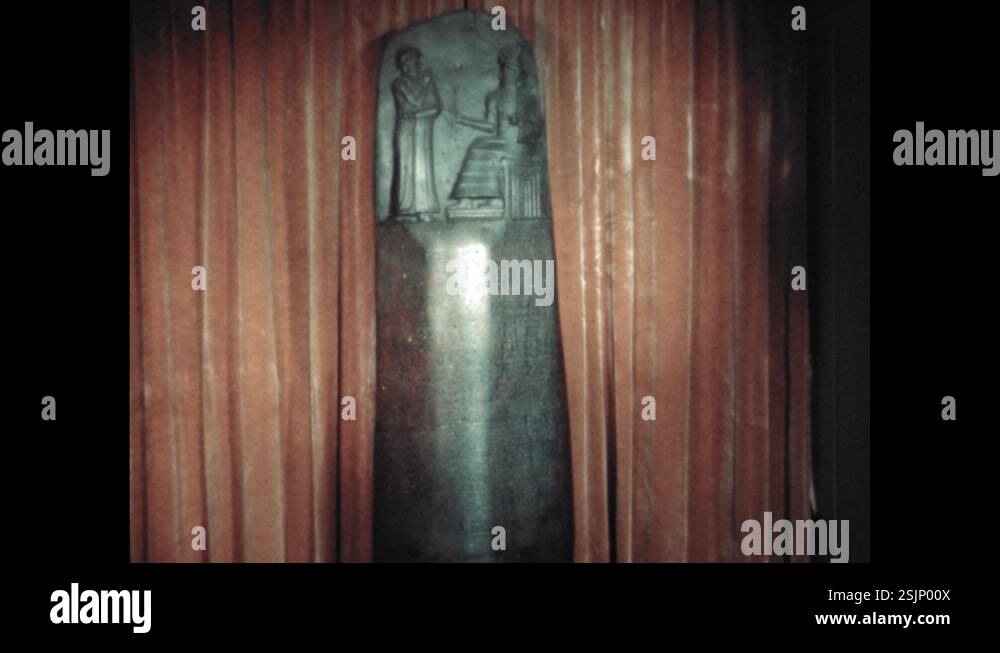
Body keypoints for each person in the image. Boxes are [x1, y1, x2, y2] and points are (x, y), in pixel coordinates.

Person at [390, 46, 441, 221]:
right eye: (405, 62)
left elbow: (435, 108)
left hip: (423, 127)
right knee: (408, 167)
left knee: (423, 168)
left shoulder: (427, 81)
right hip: (407, 130)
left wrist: (417, 114)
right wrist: (426, 83)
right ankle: (406, 210)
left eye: (411, 61)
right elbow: (417, 100)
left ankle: (424, 208)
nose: (410, 65)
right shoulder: (399, 83)